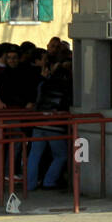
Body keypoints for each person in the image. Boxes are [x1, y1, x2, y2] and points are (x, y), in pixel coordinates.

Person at [26, 59, 74, 192]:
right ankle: (49, 181)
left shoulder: (44, 84)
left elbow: (37, 101)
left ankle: (29, 184)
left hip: (39, 121)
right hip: (55, 124)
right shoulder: (68, 86)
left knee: (34, 154)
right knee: (61, 155)